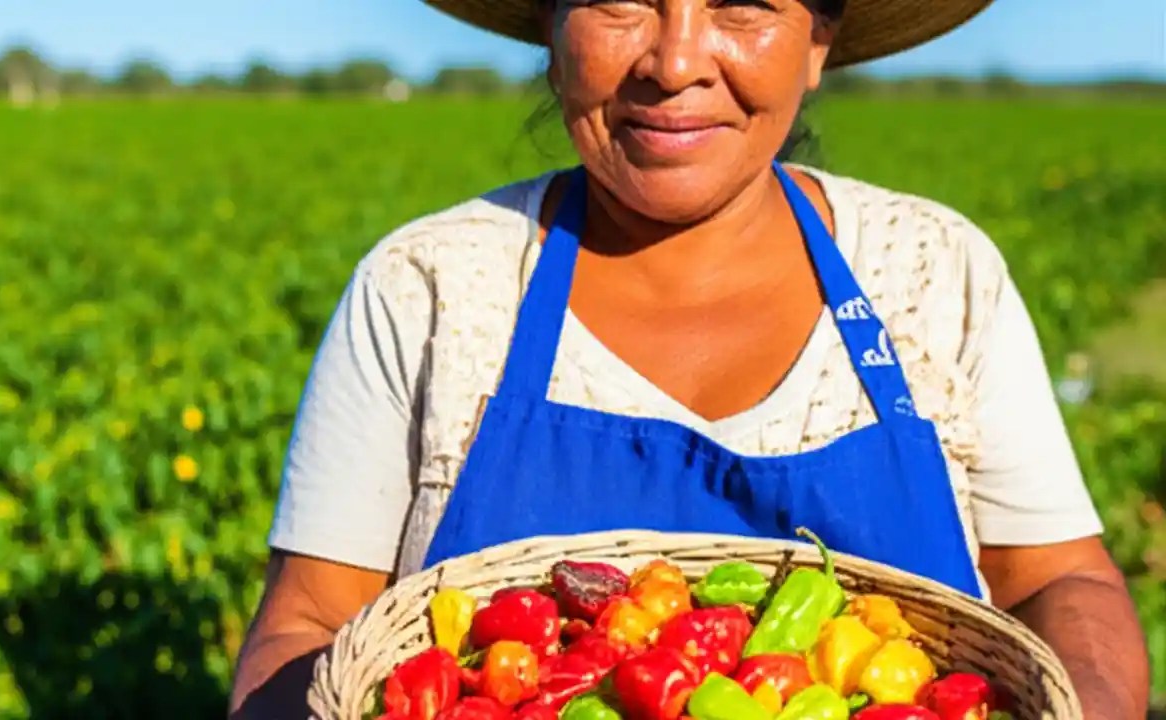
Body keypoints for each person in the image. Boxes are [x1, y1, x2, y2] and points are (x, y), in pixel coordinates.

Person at [230, 1, 1150, 718]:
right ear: (552, 34)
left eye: (743, 6)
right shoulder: (430, 286)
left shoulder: (934, 271)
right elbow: (307, 626)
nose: (674, 63)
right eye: (619, 1)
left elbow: (1060, 579)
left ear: (818, 43)